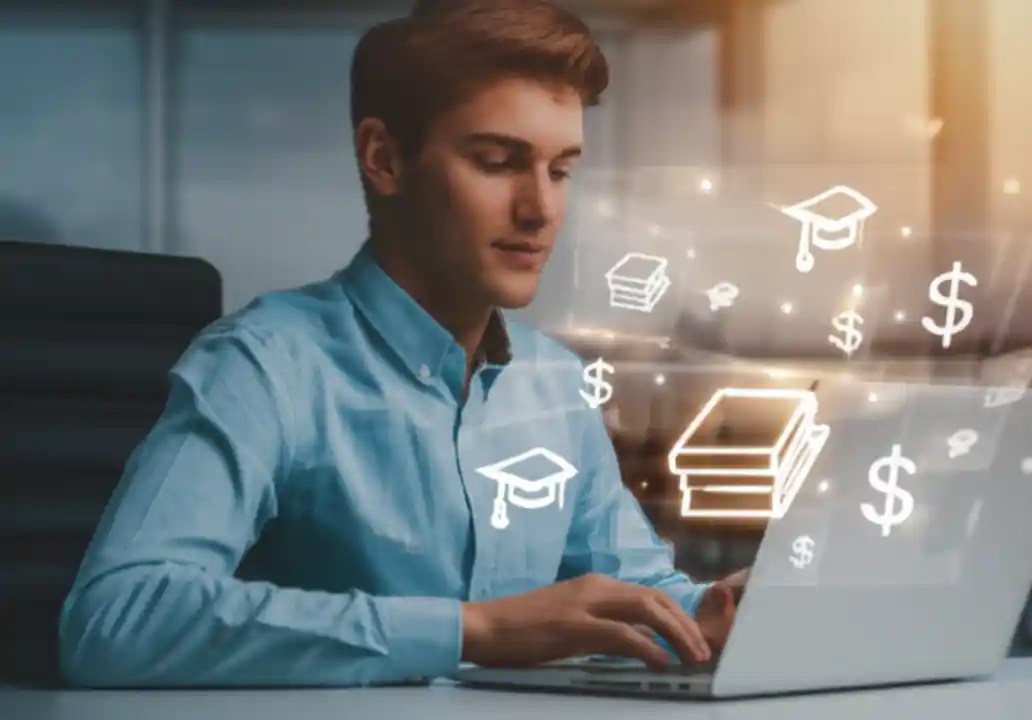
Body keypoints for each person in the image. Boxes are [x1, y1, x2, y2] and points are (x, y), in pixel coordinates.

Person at [58, 0, 742, 688]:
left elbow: (638, 592)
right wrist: (474, 630)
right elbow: (117, 618)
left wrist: (715, 610)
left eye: (560, 170)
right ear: (383, 159)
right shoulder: (267, 364)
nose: (540, 209)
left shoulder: (554, 383)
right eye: (499, 161)